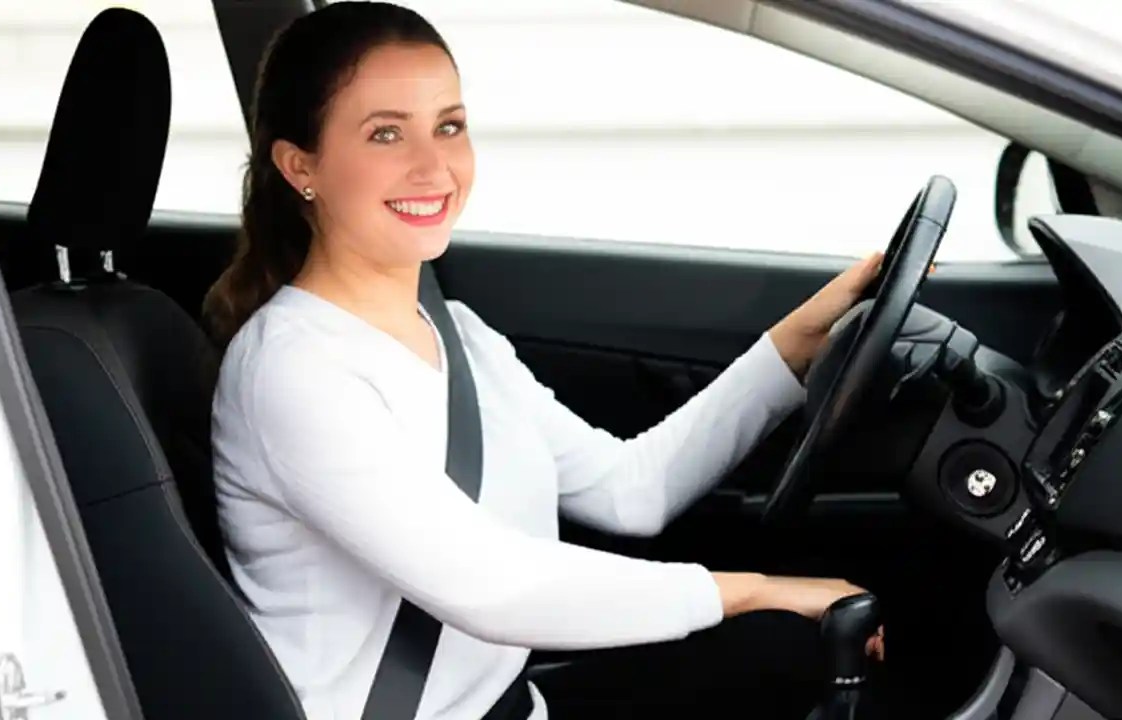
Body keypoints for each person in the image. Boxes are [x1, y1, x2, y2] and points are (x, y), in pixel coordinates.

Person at [204, 3, 886, 719]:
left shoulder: (456, 333)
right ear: (299, 166)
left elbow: (631, 489)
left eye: (449, 126)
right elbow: (494, 586)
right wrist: (758, 590)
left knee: (775, 659)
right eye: (385, 134)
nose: (433, 166)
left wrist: (796, 346)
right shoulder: (293, 371)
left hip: (509, 705)